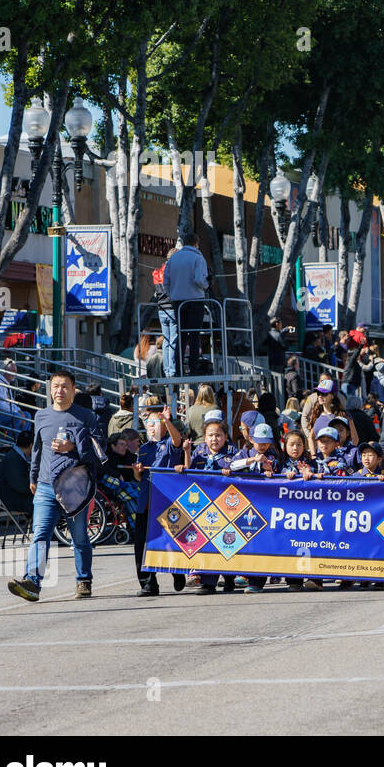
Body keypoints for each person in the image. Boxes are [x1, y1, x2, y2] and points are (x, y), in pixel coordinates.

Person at [8, 370, 106, 603]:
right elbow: (37, 451)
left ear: (73, 389)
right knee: (40, 535)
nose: (59, 391)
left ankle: (84, 580)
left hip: (75, 486)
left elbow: (100, 451)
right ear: (49, 389)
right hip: (44, 485)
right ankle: (32, 581)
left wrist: (73, 448)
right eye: (55, 387)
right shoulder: (41, 416)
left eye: (64, 387)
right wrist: (33, 477)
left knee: (79, 537)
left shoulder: (86, 416)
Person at [131, 407, 187, 596]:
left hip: (167, 502)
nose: (151, 426)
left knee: (170, 542)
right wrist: (136, 470)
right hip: (146, 501)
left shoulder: (169, 443)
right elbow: (139, 477)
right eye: (149, 423)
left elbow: (178, 441)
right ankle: (148, 584)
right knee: (141, 544)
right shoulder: (145, 448)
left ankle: (177, 571)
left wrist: (167, 421)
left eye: (156, 423)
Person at [163, 232, 211, 376]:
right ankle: (194, 368)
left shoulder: (174, 258)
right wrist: (207, 284)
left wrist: (173, 295)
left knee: (181, 335)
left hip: (178, 301)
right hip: (195, 300)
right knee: (194, 335)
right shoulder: (198, 258)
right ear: (196, 243)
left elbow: (166, 282)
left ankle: (178, 369)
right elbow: (198, 279)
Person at [0, 429, 36, 517]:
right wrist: (38, 489)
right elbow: (20, 486)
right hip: (14, 500)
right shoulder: (13, 459)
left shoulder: (15, 456)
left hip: (15, 497)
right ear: (31, 445)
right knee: (47, 501)